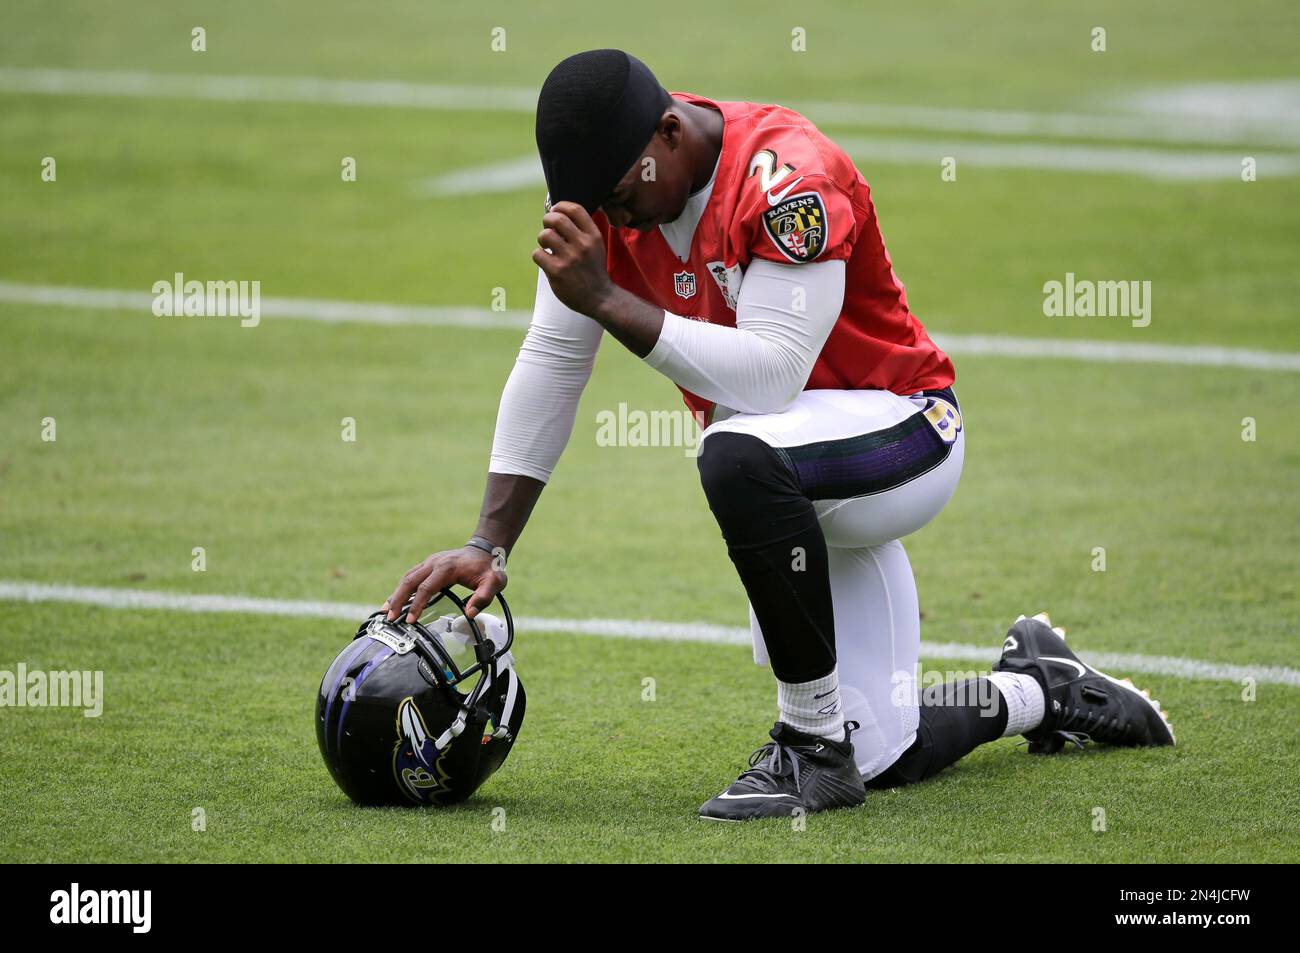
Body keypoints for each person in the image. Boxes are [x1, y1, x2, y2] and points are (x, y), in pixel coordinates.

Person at [384, 50, 1174, 821]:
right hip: (797, 469)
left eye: (621, 193)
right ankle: (1041, 688)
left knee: (735, 447)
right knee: (885, 755)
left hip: (903, 430)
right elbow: (553, 358)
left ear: (668, 133)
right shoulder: (611, 185)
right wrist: (490, 542)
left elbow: (771, 375)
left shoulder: (787, 176)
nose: (612, 218)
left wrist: (608, 299)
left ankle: (809, 744)